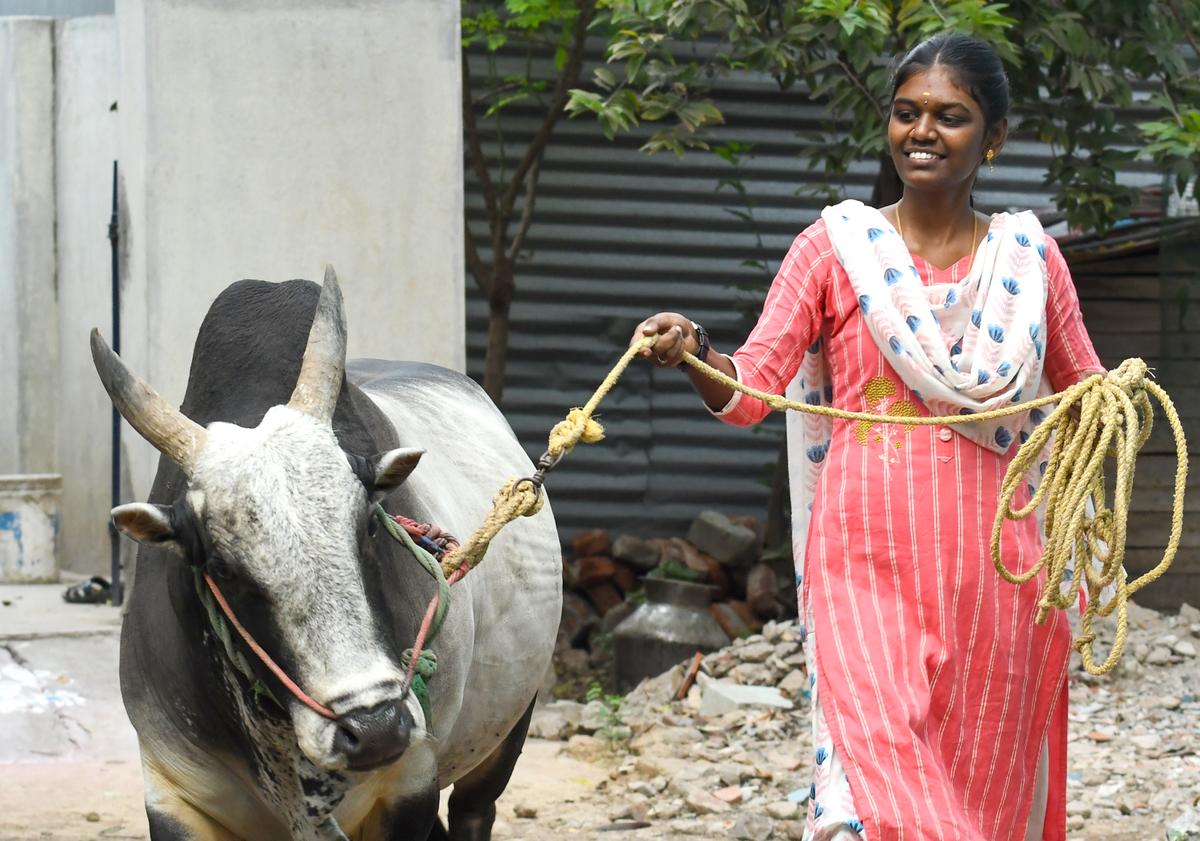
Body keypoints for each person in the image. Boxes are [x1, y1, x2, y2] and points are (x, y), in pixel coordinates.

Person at [631, 33, 1105, 841]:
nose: (922, 131)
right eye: (906, 113)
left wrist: (1119, 400)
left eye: (950, 117)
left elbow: (1088, 398)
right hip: (864, 569)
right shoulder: (834, 250)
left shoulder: (1031, 261)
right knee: (866, 792)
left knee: (981, 794)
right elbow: (751, 393)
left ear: (992, 137)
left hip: (1000, 576)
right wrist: (696, 351)